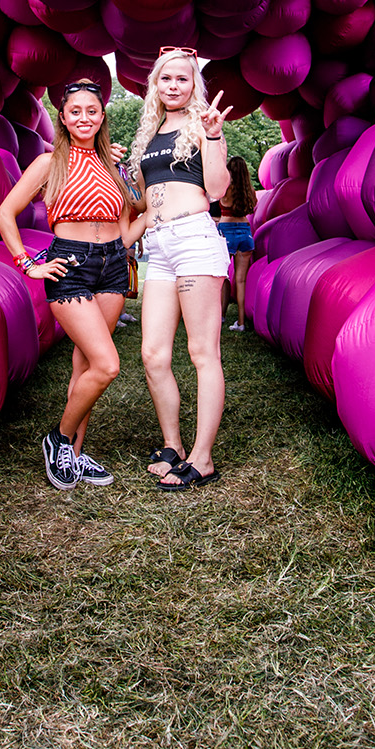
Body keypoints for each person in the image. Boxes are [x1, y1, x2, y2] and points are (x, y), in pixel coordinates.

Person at [0, 80, 139, 490]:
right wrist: (28, 264)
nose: (84, 118)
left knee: (87, 364)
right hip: (70, 266)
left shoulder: (113, 165)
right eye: (75, 111)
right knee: (108, 365)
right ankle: (57, 438)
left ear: (102, 116)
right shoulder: (48, 163)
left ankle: (74, 454)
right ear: (63, 116)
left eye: (92, 111)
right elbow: (5, 214)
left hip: (112, 264)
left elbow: (126, 231)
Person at [127, 46, 233, 491]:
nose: (173, 86)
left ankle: (202, 457)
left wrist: (212, 137)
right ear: (156, 84)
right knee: (153, 354)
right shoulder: (149, 132)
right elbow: (144, 201)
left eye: (182, 79)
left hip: (194, 239)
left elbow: (216, 189)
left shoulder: (204, 126)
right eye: (166, 79)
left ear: (194, 86)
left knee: (201, 352)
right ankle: (172, 445)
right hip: (158, 245)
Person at [217, 156, 256, 331]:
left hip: (226, 232)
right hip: (245, 232)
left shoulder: (225, 189)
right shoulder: (249, 191)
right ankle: (240, 322)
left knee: (223, 278)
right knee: (241, 280)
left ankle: (221, 315)